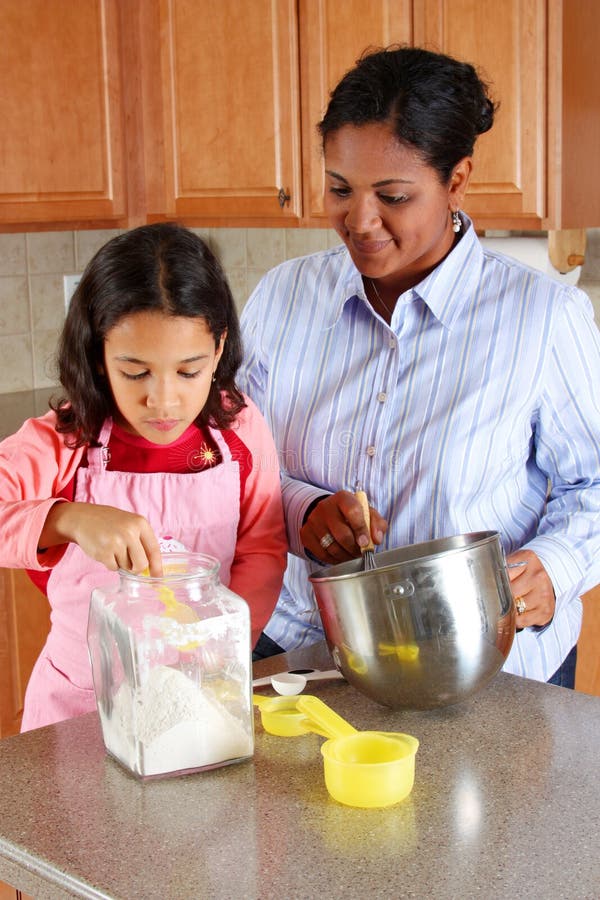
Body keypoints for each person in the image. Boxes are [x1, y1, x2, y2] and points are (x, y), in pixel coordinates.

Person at [239, 45, 600, 686]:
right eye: (340, 189)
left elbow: (592, 485)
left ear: (456, 180)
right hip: (304, 652)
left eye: (394, 196)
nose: (361, 221)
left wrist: (557, 564)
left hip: (490, 666)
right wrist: (302, 508)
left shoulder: (546, 318)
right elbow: (236, 461)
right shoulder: (282, 297)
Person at [0, 223, 287, 730]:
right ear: (97, 354)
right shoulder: (64, 441)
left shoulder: (240, 429)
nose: (163, 400)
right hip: (78, 712)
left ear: (219, 349)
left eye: (189, 370)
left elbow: (261, 550)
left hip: (200, 698)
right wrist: (67, 518)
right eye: (135, 372)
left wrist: (222, 652)